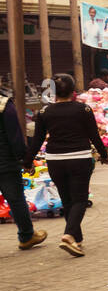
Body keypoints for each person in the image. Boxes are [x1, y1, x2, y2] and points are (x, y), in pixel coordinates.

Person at [25, 74, 108, 256]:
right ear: (73, 92)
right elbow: (93, 135)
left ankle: (77, 241)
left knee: (67, 200)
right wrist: (104, 154)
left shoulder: (44, 113)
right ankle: (69, 235)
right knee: (79, 200)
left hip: (55, 160)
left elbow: (37, 140)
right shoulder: (83, 110)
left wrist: (27, 161)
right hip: (79, 158)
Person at [1, 90, 47, 251]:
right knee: (15, 199)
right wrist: (25, 158)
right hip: (4, 161)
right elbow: (15, 136)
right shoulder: (4, 104)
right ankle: (27, 236)